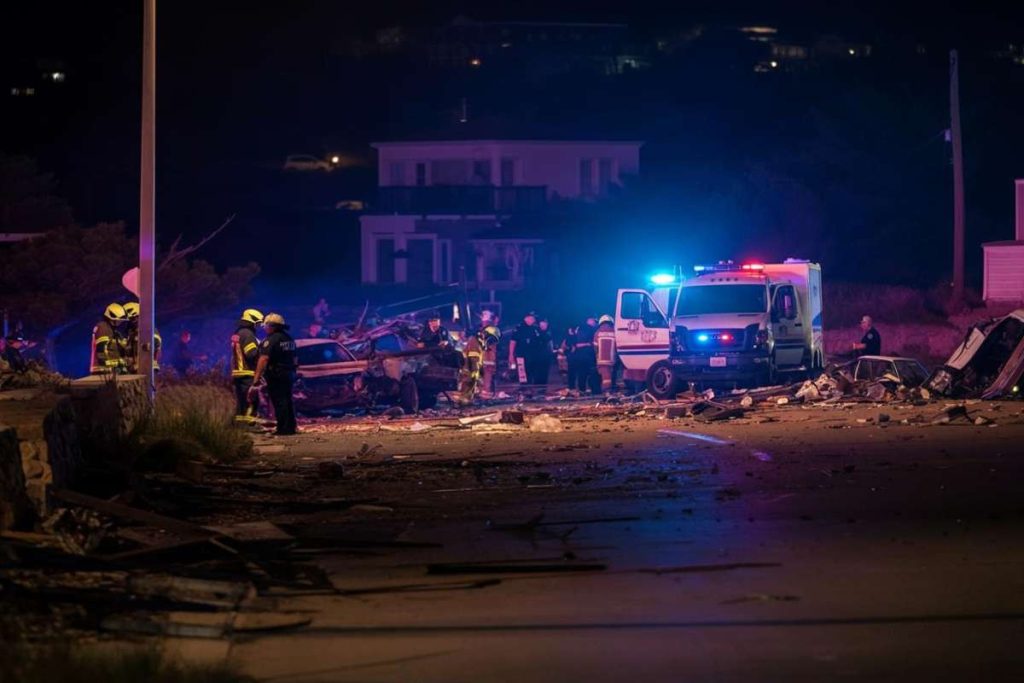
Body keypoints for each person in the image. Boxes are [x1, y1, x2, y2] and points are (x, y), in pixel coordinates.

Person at [252, 313, 298, 436]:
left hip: (276, 374)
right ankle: (291, 427)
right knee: (288, 400)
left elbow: (264, 359)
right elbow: (295, 358)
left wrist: (256, 378)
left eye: (266, 325)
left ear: (272, 326)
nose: (265, 328)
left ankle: (283, 429)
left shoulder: (270, 340)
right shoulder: (289, 339)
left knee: (279, 401)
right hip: (289, 374)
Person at [231, 309, 264, 423]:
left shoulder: (238, 333)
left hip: (238, 372)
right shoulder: (248, 334)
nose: (258, 326)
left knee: (242, 402)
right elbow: (251, 354)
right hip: (247, 372)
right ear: (252, 321)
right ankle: (250, 424)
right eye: (258, 323)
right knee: (251, 400)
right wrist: (262, 348)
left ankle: (240, 424)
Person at [459, 325, 501, 403]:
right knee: (469, 381)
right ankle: (464, 401)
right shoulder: (475, 341)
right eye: (491, 339)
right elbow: (473, 357)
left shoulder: (480, 342)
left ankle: (468, 400)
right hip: (468, 365)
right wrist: (475, 369)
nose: (490, 342)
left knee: (472, 381)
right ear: (486, 334)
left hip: (471, 365)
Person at [120, 302, 162, 373]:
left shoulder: (148, 330)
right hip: (135, 370)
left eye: (131, 320)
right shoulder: (132, 333)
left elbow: (155, 348)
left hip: (145, 370)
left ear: (136, 317)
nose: (129, 324)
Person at [90, 303, 128, 374]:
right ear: (111, 319)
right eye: (119, 320)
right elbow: (102, 350)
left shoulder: (114, 332)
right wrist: (116, 364)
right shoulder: (103, 328)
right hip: (103, 372)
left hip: (109, 371)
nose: (121, 322)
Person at [508, 311, 540, 386]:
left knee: (531, 374)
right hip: (521, 355)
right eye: (532, 318)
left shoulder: (534, 328)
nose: (534, 320)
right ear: (526, 318)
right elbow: (513, 342)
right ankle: (523, 390)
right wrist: (511, 355)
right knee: (522, 375)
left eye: (534, 318)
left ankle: (529, 391)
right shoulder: (519, 328)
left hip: (532, 356)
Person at [575, 316, 600, 394]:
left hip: (580, 355)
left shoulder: (579, 329)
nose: (595, 323)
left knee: (582, 373)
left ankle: (582, 389)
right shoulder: (590, 329)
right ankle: (594, 390)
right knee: (592, 372)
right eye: (594, 321)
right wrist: (588, 344)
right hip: (588, 355)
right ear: (589, 320)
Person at [594, 314, 617, 393]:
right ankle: (610, 389)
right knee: (610, 375)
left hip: (601, 359)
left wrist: (596, 356)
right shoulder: (614, 331)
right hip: (612, 359)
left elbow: (595, 347)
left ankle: (606, 391)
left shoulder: (597, 332)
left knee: (605, 377)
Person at [531, 318, 555, 388]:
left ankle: (543, 389)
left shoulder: (549, 333)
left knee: (544, 374)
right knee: (537, 374)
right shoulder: (536, 332)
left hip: (546, 358)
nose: (543, 326)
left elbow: (550, 344)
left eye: (544, 324)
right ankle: (537, 389)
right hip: (537, 357)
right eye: (541, 324)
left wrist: (552, 353)